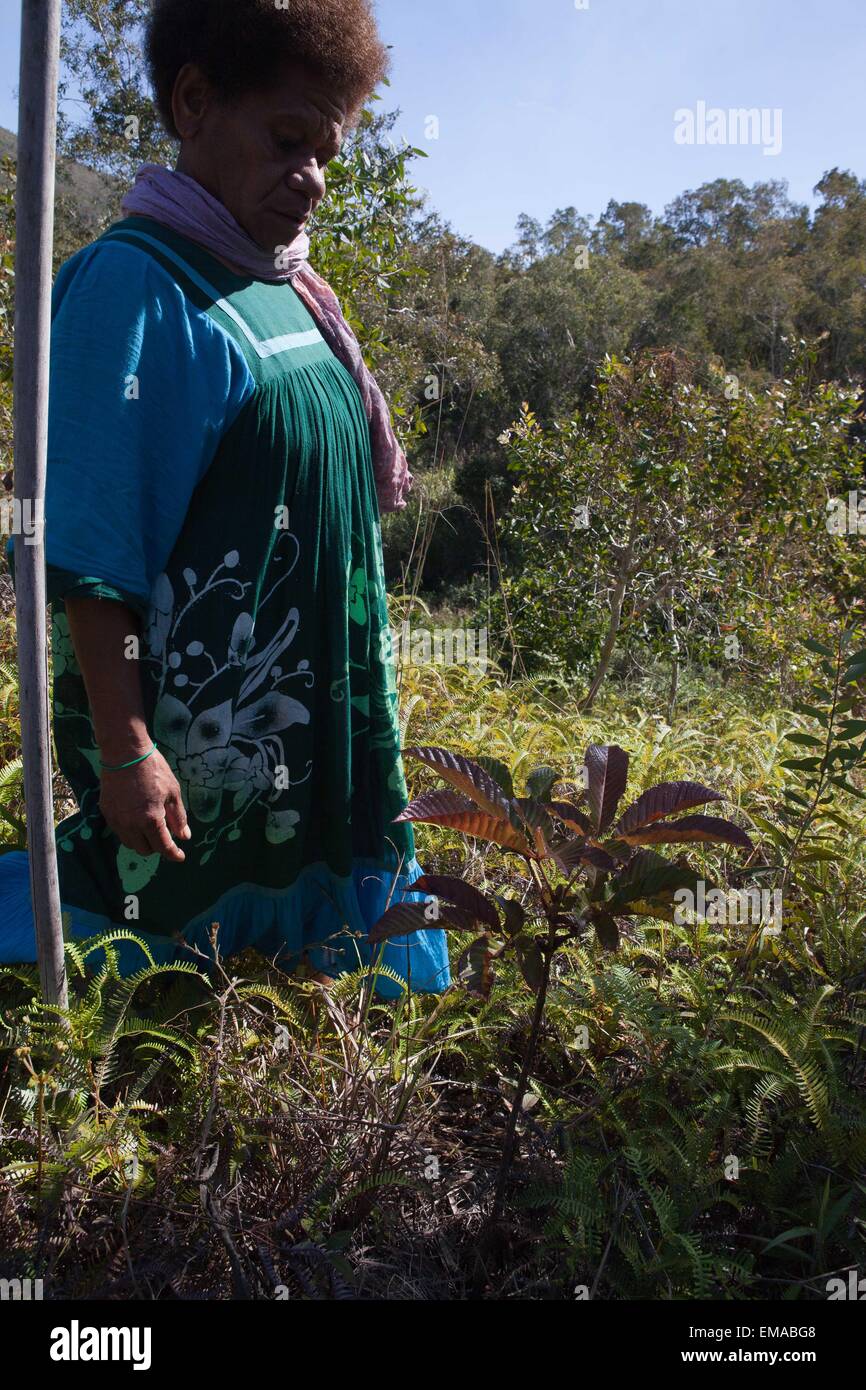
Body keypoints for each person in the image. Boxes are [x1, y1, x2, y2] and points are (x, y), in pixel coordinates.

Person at [0, 0, 449, 998]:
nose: (314, 178)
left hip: (314, 717)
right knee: (159, 979)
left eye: (327, 151)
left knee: (296, 990)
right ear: (194, 100)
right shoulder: (136, 287)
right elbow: (90, 547)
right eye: (287, 139)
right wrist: (126, 753)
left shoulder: (285, 285)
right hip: (202, 743)